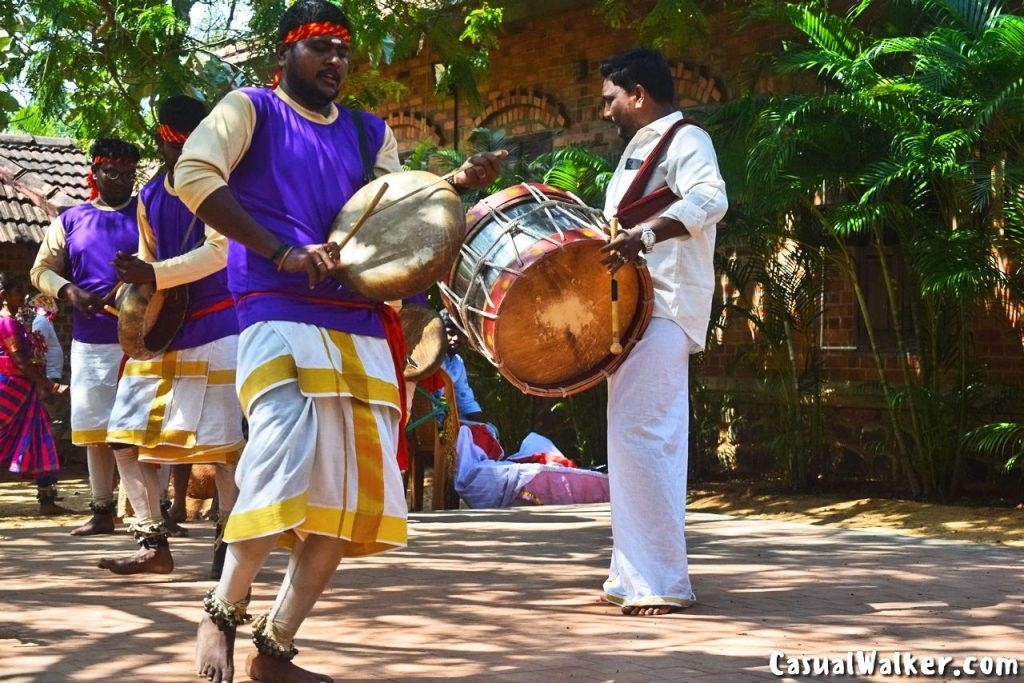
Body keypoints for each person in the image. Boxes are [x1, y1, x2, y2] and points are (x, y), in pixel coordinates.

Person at [174, 2, 504, 680]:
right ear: (285, 52)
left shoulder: (366, 131)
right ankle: (220, 611)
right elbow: (193, 177)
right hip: (276, 309)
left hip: (359, 322)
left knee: (348, 498)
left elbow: (392, 220)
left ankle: (276, 646)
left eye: (343, 50)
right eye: (319, 46)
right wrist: (281, 250)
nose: (335, 61)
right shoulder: (250, 110)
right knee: (279, 461)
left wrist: (452, 187)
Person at [597, 47, 728, 616]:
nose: (605, 111)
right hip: (632, 314)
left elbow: (711, 198)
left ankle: (662, 581)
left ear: (638, 94)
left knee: (648, 438)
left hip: (665, 309)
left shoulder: (687, 139)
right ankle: (630, 574)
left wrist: (645, 235)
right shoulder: (638, 150)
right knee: (630, 441)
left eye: (611, 99)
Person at [100, 95, 243, 577]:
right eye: (175, 143)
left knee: (222, 447)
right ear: (162, 141)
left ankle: (229, 546)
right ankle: (152, 543)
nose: (181, 151)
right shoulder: (149, 195)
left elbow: (220, 252)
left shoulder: (222, 186)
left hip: (218, 322)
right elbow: (149, 256)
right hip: (162, 331)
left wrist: (154, 273)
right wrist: (133, 279)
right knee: (123, 437)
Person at [31, 138, 142, 536]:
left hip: (145, 339)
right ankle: (101, 511)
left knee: (143, 429)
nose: (121, 179)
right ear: (94, 172)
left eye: (128, 173)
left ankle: (154, 514)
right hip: (91, 341)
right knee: (97, 430)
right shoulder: (71, 219)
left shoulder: (147, 214)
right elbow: (40, 270)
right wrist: (69, 291)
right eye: (112, 171)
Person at [0, 273, 66, 511]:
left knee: (39, 438)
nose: (23, 295)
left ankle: (47, 500)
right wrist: (50, 385)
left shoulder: (16, 322)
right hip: (10, 388)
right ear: (4, 296)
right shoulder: (7, 323)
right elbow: (20, 361)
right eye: (18, 291)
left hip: (25, 389)